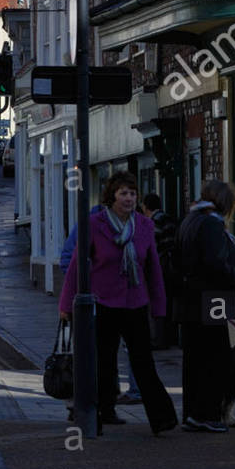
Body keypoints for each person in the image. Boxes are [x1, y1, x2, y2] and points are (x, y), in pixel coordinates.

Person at [58, 172, 177, 434]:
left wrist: (159, 306)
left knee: (143, 362)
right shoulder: (94, 224)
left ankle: (162, 418)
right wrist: (66, 305)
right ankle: (99, 414)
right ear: (112, 196)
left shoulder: (145, 226)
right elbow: (77, 266)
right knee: (103, 362)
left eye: (133, 194)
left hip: (135, 303)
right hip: (104, 303)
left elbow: (153, 269)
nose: (129, 199)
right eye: (123, 193)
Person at [172, 180, 235, 433]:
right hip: (210, 300)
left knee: (195, 359)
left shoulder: (191, 220)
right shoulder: (211, 224)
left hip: (190, 301)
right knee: (215, 358)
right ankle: (206, 414)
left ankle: (193, 413)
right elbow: (215, 263)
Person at [60, 204, 139, 406]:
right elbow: (68, 259)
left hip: (127, 300)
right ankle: (95, 397)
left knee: (128, 347)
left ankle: (126, 392)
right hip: (96, 302)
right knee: (98, 350)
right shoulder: (91, 223)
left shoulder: (136, 225)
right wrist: (87, 285)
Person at [142, 193, 179, 349]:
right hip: (172, 269)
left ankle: (159, 340)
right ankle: (171, 337)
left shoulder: (153, 222)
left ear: (145, 206)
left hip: (160, 268)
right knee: (169, 303)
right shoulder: (169, 219)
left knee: (157, 304)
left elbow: (152, 249)